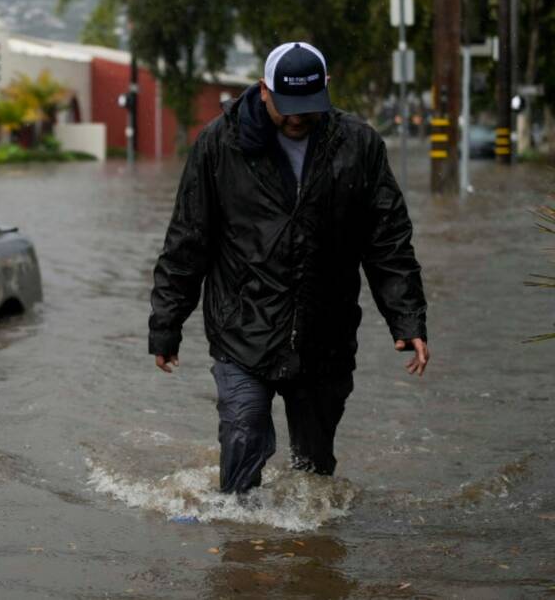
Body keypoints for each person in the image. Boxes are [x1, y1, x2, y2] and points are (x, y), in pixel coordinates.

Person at [148, 41, 430, 495]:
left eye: (308, 105)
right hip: (243, 326)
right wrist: (166, 325)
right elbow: (187, 240)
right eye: (286, 106)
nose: (297, 118)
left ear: (327, 88)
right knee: (244, 434)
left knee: (314, 475)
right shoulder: (220, 144)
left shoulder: (359, 145)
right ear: (264, 90)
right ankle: (235, 531)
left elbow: (387, 241)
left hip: (325, 333)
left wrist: (407, 318)